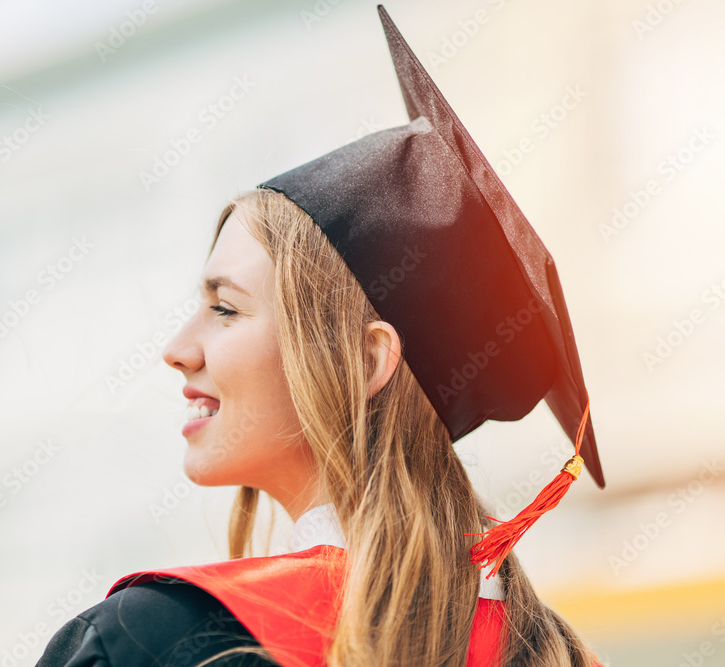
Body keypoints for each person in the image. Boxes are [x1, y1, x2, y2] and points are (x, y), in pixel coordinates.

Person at [36, 5, 607, 666]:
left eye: (225, 308)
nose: (177, 348)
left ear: (369, 361)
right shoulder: (553, 654)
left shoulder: (155, 642)